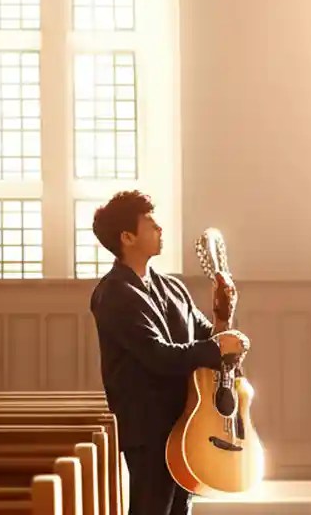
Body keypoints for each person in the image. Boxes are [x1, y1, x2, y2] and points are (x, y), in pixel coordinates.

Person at [88, 190, 250, 515]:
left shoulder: (172, 287)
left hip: (187, 419)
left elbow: (207, 339)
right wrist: (219, 346)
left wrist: (223, 316)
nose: (159, 228)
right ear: (127, 237)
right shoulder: (115, 293)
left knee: (180, 509)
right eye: (150, 223)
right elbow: (158, 356)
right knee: (152, 508)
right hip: (148, 426)